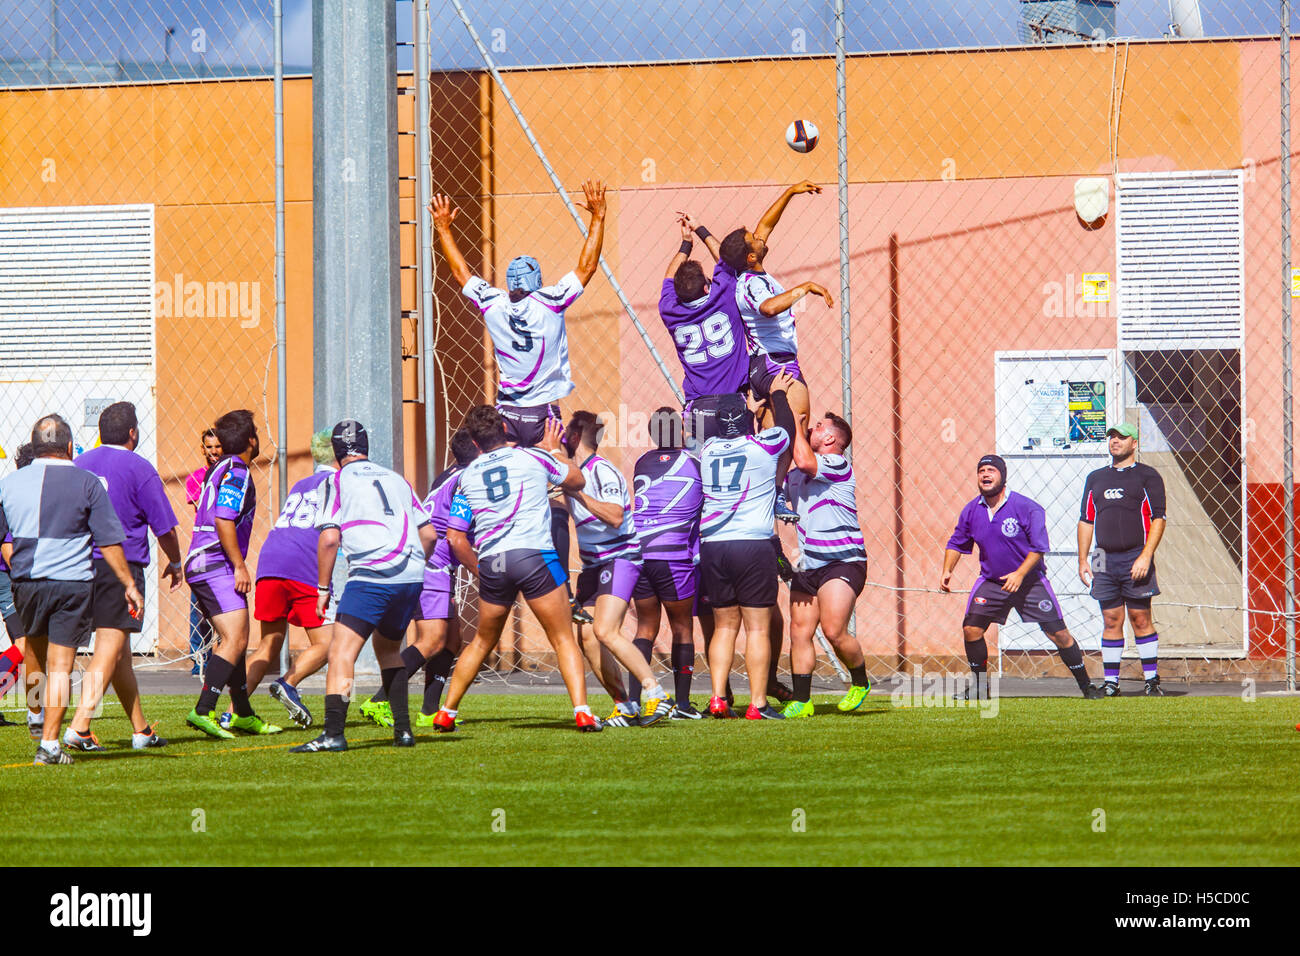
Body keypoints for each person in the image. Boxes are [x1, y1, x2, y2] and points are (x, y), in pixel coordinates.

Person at [431, 182, 608, 626]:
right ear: (536, 284)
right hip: (545, 417)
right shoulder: (551, 301)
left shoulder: (492, 301)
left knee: (486, 484)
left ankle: (489, 570)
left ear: (510, 286)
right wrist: (598, 217)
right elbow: (587, 267)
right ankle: (563, 590)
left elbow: (460, 273)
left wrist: (443, 228)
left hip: (507, 417)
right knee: (560, 496)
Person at [430, 407, 600, 733]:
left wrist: (481, 571)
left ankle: (446, 712)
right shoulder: (532, 457)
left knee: (482, 641)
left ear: (475, 444)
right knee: (563, 638)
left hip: (494, 562)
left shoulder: (466, 476)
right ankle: (582, 712)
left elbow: (456, 534)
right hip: (534, 556)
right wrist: (554, 450)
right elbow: (578, 480)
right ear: (504, 430)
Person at [0, 415, 143, 765]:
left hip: (27, 582)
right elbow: (108, 541)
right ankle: (49, 746)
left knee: (33, 652)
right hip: (72, 582)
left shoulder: (9, 484)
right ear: (69, 447)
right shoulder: (87, 482)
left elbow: (4, 537)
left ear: (34, 447)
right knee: (61, 664)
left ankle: (36, 712)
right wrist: (128, 584)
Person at [291, 421, 437, 753]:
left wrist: (323, 589)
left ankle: (333, 734)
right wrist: (413, 566)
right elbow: (429, 534)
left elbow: (329, 539)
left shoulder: (336, 480)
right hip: (410, 575)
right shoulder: (397, 479)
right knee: (389, 650)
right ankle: (403, 731)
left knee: (341, 652)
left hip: (371, 575)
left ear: (336, 453)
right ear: (366, 447)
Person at [62, 402, 179, 751]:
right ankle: (80, 726)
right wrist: (176, 562)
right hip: (120, 568)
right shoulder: (140, 468)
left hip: (78, 565)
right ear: (132, 432)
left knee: (120, 651)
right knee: (110, 646)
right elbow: (164, 527)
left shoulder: (78, 465)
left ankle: (141, 730)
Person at [941, 454, 1103, 700]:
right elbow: (956, 543)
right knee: (971, 629)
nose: (985, 475)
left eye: (991, 470)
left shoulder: (1028, 508)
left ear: (1003, 476)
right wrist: (947, 570)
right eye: (981, 471)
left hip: (1030, 582)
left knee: (1059, 635)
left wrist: (1019, 574)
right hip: (992, 582)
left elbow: (1038, 548)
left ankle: (1086, 686)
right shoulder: (972, 510)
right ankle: (979, 688)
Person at [358, 428, 480, 729]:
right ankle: (378, 700)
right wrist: (484, 573)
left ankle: (429, 711)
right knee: (432, 640)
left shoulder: (449, 475)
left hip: (431, 565)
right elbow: (453, 537)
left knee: (452, 639)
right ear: (479, 450)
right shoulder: (466, 480)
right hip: (431, 565)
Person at [563, 411, 674, 728]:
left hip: (620, 558)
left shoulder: (601, 471)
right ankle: (624, 706)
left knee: (605, 630)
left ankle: (656, 694)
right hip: (593, 565)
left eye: (565, 435)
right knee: (588, 637)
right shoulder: (571, 474)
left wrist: (576, 494)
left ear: (575, 437)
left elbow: (614, 516)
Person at [225, 428, 339, 730]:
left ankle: (231, 712)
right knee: (329, 643)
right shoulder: (341, 482)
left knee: (269, 644)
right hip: (303, 563)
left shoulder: (302, 483)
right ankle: (288, 683)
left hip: (270, 559)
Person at [697, 381, 797, 720]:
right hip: (752, 543)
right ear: (748, 421)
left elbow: (725, 430)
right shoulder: (764, 446)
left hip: (713, 544)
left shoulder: (708, 448)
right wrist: (777, 394)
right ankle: (758, 704)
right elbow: (787, 428)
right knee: (757, 627)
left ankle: (717, 698)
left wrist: (744, 414)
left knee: (724, 626)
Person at [184, 410, 282, 738]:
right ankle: (203, 710)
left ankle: (242, 713)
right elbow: (224, 519)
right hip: (215, 563)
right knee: (236, 639)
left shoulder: (220, 467)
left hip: (205, 562)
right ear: (251, 439)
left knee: (236, 638)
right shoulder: (237, 470)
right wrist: (239, 565)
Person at [782, 410, 873, 717]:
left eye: (819, 426)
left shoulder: (837, 463)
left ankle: (860, 681)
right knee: (799, 632)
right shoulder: (796, 475)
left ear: (831, 438)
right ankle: (802, 700)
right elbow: (778, 485)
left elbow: (806, 461)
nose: (812, 428)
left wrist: (794, 421)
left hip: (842, 561)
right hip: (809, 563)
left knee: (834, 631)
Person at [1077, 423, 1168, 696]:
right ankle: (1111, 683)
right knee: (1110, 619)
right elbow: (1086, 520)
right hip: (1102, 556)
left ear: (1134, 443)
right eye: (1112, 437)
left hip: (1135, 555)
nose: (1115, 441)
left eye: (1121, 437)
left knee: (1140, 617)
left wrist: (1146, 556)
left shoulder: (1147, 476)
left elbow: (1159, 518)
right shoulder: (1095, 478)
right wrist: (1083, 559)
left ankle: (1151, 680)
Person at [630, 407, 705, 718]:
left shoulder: (642, 462)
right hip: (672, 554)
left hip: (639, 552)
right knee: (682, 627)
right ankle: (682, 705)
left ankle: (633, 703)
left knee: (645, 626)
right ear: (682, 432)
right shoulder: (696, 462)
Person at [658, 214, 750, 448]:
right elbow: (725, 258)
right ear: (707, 287)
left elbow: (668, 279)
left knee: (701, 466)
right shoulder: (724, 295)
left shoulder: (669, 310)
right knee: (741, 462)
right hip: (733, 400)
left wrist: (685, 244)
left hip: (698, 406)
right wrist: (699, 228)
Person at [0, 443, 34, 734]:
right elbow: (8, 547)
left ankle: (38, 709)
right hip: (7, 578)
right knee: (25, 645)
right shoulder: (16, 497)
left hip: (12, 577)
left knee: (27, 646)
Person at [185, 428, 222, 675]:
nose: (214, 451)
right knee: (198, 607)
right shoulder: (197, 478)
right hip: (202, 548)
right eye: (209, 447)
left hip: (223, 546)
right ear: (202, 449)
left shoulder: (229, 475)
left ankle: (224, 656)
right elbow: (202, 509)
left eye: (217, 446)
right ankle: (200, 657)